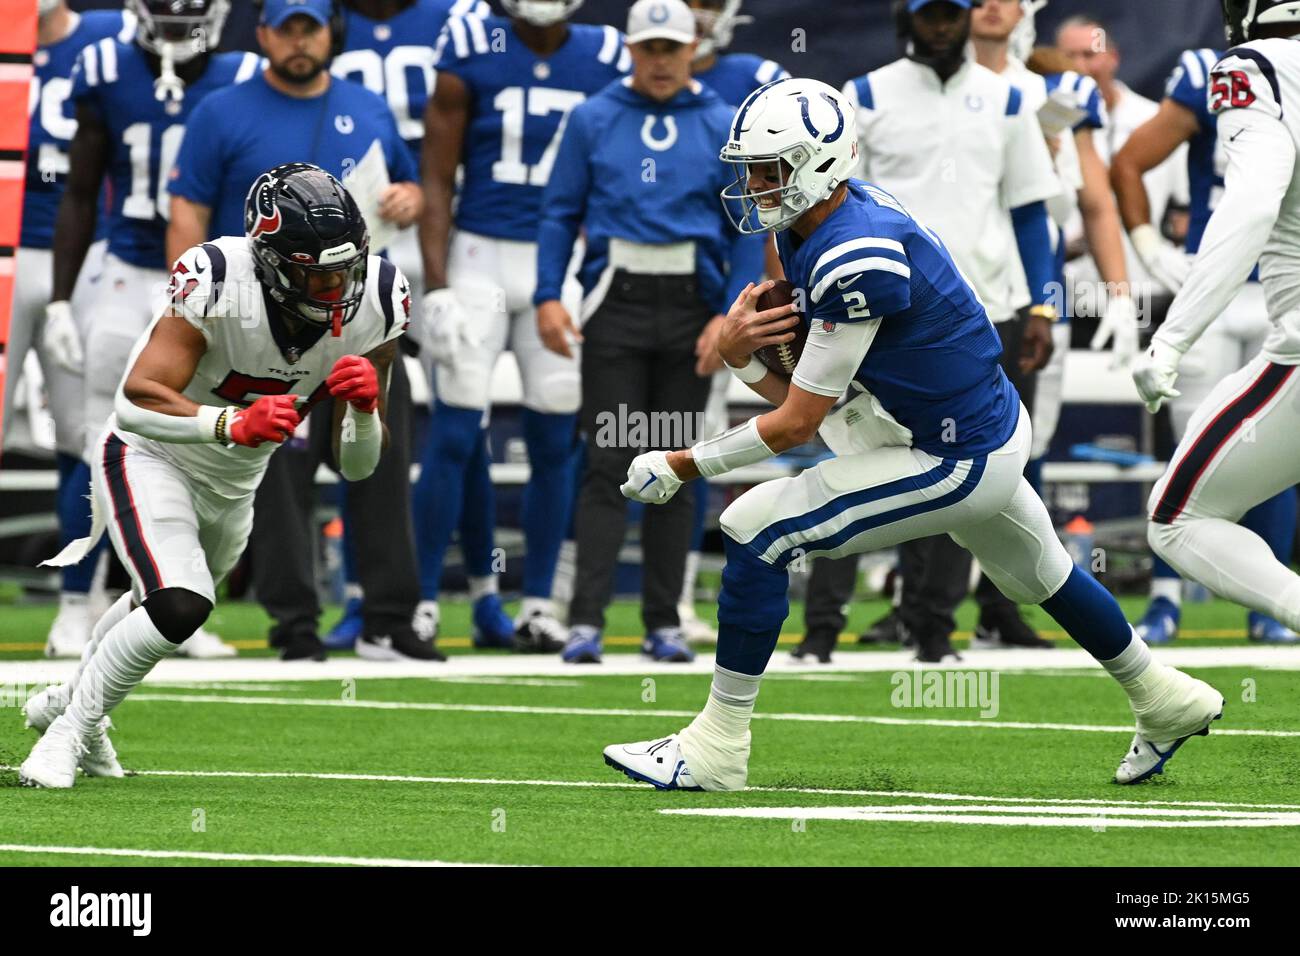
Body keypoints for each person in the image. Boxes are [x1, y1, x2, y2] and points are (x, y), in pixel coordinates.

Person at [604, 76, 1224, 792]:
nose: (755, 186)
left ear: (820, 165)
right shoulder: (823, 219)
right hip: (972, 425)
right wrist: (743, 358)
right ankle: (1164, 697)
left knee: (754, 529)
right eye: (749, 170)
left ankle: (714, 748)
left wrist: (684, 464)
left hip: (955, 454)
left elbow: (798, 422)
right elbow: (817, 403)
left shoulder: (853, 251)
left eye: (770, 172)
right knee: (1040, 576)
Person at [21, 163, 410, 788]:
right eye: (317, 272)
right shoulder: (219, 278)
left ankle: (68, 705)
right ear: (275, 264)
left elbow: (358, 466)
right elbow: (137, 399)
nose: (338, 286)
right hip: (151, 455)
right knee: (180, 603)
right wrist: (231, 423)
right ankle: (71, 731)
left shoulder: (380, 301)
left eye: (348, 267)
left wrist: (364, 411)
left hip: (237, 481)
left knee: (165, 605)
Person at [167, 0, 431, 661]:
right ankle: (294, 626)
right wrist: (184, 314)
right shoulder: (220, 111)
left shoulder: (366, 104)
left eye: (310, 26)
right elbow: (188, 211)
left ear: (330, 31)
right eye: (286, 28)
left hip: (355, 313)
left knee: (378, 452)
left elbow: (410, 186)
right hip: (260, 321)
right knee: (273, 474)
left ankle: (390, 619)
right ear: (261, 35)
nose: (299, 40)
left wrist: (411, 197)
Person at [535, 0, 765, 664]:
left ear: (694, 45)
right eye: (649, 48)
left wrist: (730, 313)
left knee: (676, 462)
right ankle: (586, 622)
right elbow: (558, 212)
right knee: (609, 459)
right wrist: (550, 295)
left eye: (672, 47)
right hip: (617, 301)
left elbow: (746, 230)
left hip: (692, 306)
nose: (661, 61)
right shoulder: (593, 116)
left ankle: (664, 621)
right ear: (631, 50)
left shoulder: (721, 122)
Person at [832, 0, 1062, 663]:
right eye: (928, 14)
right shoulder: (866, 94)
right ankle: (907, 620)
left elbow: (1027, 212)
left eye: (950, 14)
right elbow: (835, 205)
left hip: (991, 311)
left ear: (968, 20)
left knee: (990, 472)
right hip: (892, 318)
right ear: (906, 17)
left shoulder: (1011, 97)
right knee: (898, 466)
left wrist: (1044, 307)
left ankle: (976, 616)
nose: (940, 25)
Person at [411, 0, 629, 653]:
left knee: (554, 434)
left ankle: (538, 604)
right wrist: (439, 281)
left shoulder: (606, 54)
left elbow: (612, 176)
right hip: (477, 252)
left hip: (556, 264)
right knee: (453, 430)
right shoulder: (471, 43)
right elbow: (437, 174)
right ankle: (422, 603)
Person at [53, 0, 260, 659]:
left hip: (214, 282)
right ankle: (73, 602)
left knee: (201, 448)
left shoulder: (244, 76)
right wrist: (61, 296)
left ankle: (173, 596)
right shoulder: (106, 65)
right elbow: (79, 191)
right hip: (125, 272)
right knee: (98, 442)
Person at [1112, 44, 1298, 645]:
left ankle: (1267, 605)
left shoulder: (1254, 64)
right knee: (1231, 455)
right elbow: (1130, 162)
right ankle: (1169, 601)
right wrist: (1149, 248)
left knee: (1186, 503)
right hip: (1225, 281)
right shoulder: (1198, 76)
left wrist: (1170, 339)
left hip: (1252, 286)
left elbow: (1251, 205)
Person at [324, 0, 488, 648]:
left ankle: (477, 590)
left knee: (463, 417)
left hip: (451, 228)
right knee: (359, 407)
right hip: (357, 240)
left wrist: (424, 195)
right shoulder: (320, 20)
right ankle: (365, 593)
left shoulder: (462, 16)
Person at [6, 0, 134, 658]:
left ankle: (79, 599)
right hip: (6, 255)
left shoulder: (112, 38)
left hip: (74, 261)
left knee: (84, 439)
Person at [673, 0, 789, 646]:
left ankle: (687, 588)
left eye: (709, 3)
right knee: (603, 441)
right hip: (647, 286)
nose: (697, 15)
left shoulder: (755, 80)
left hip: (735, 288)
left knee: (703, 437)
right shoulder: (628, 71)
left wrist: (752, 297)